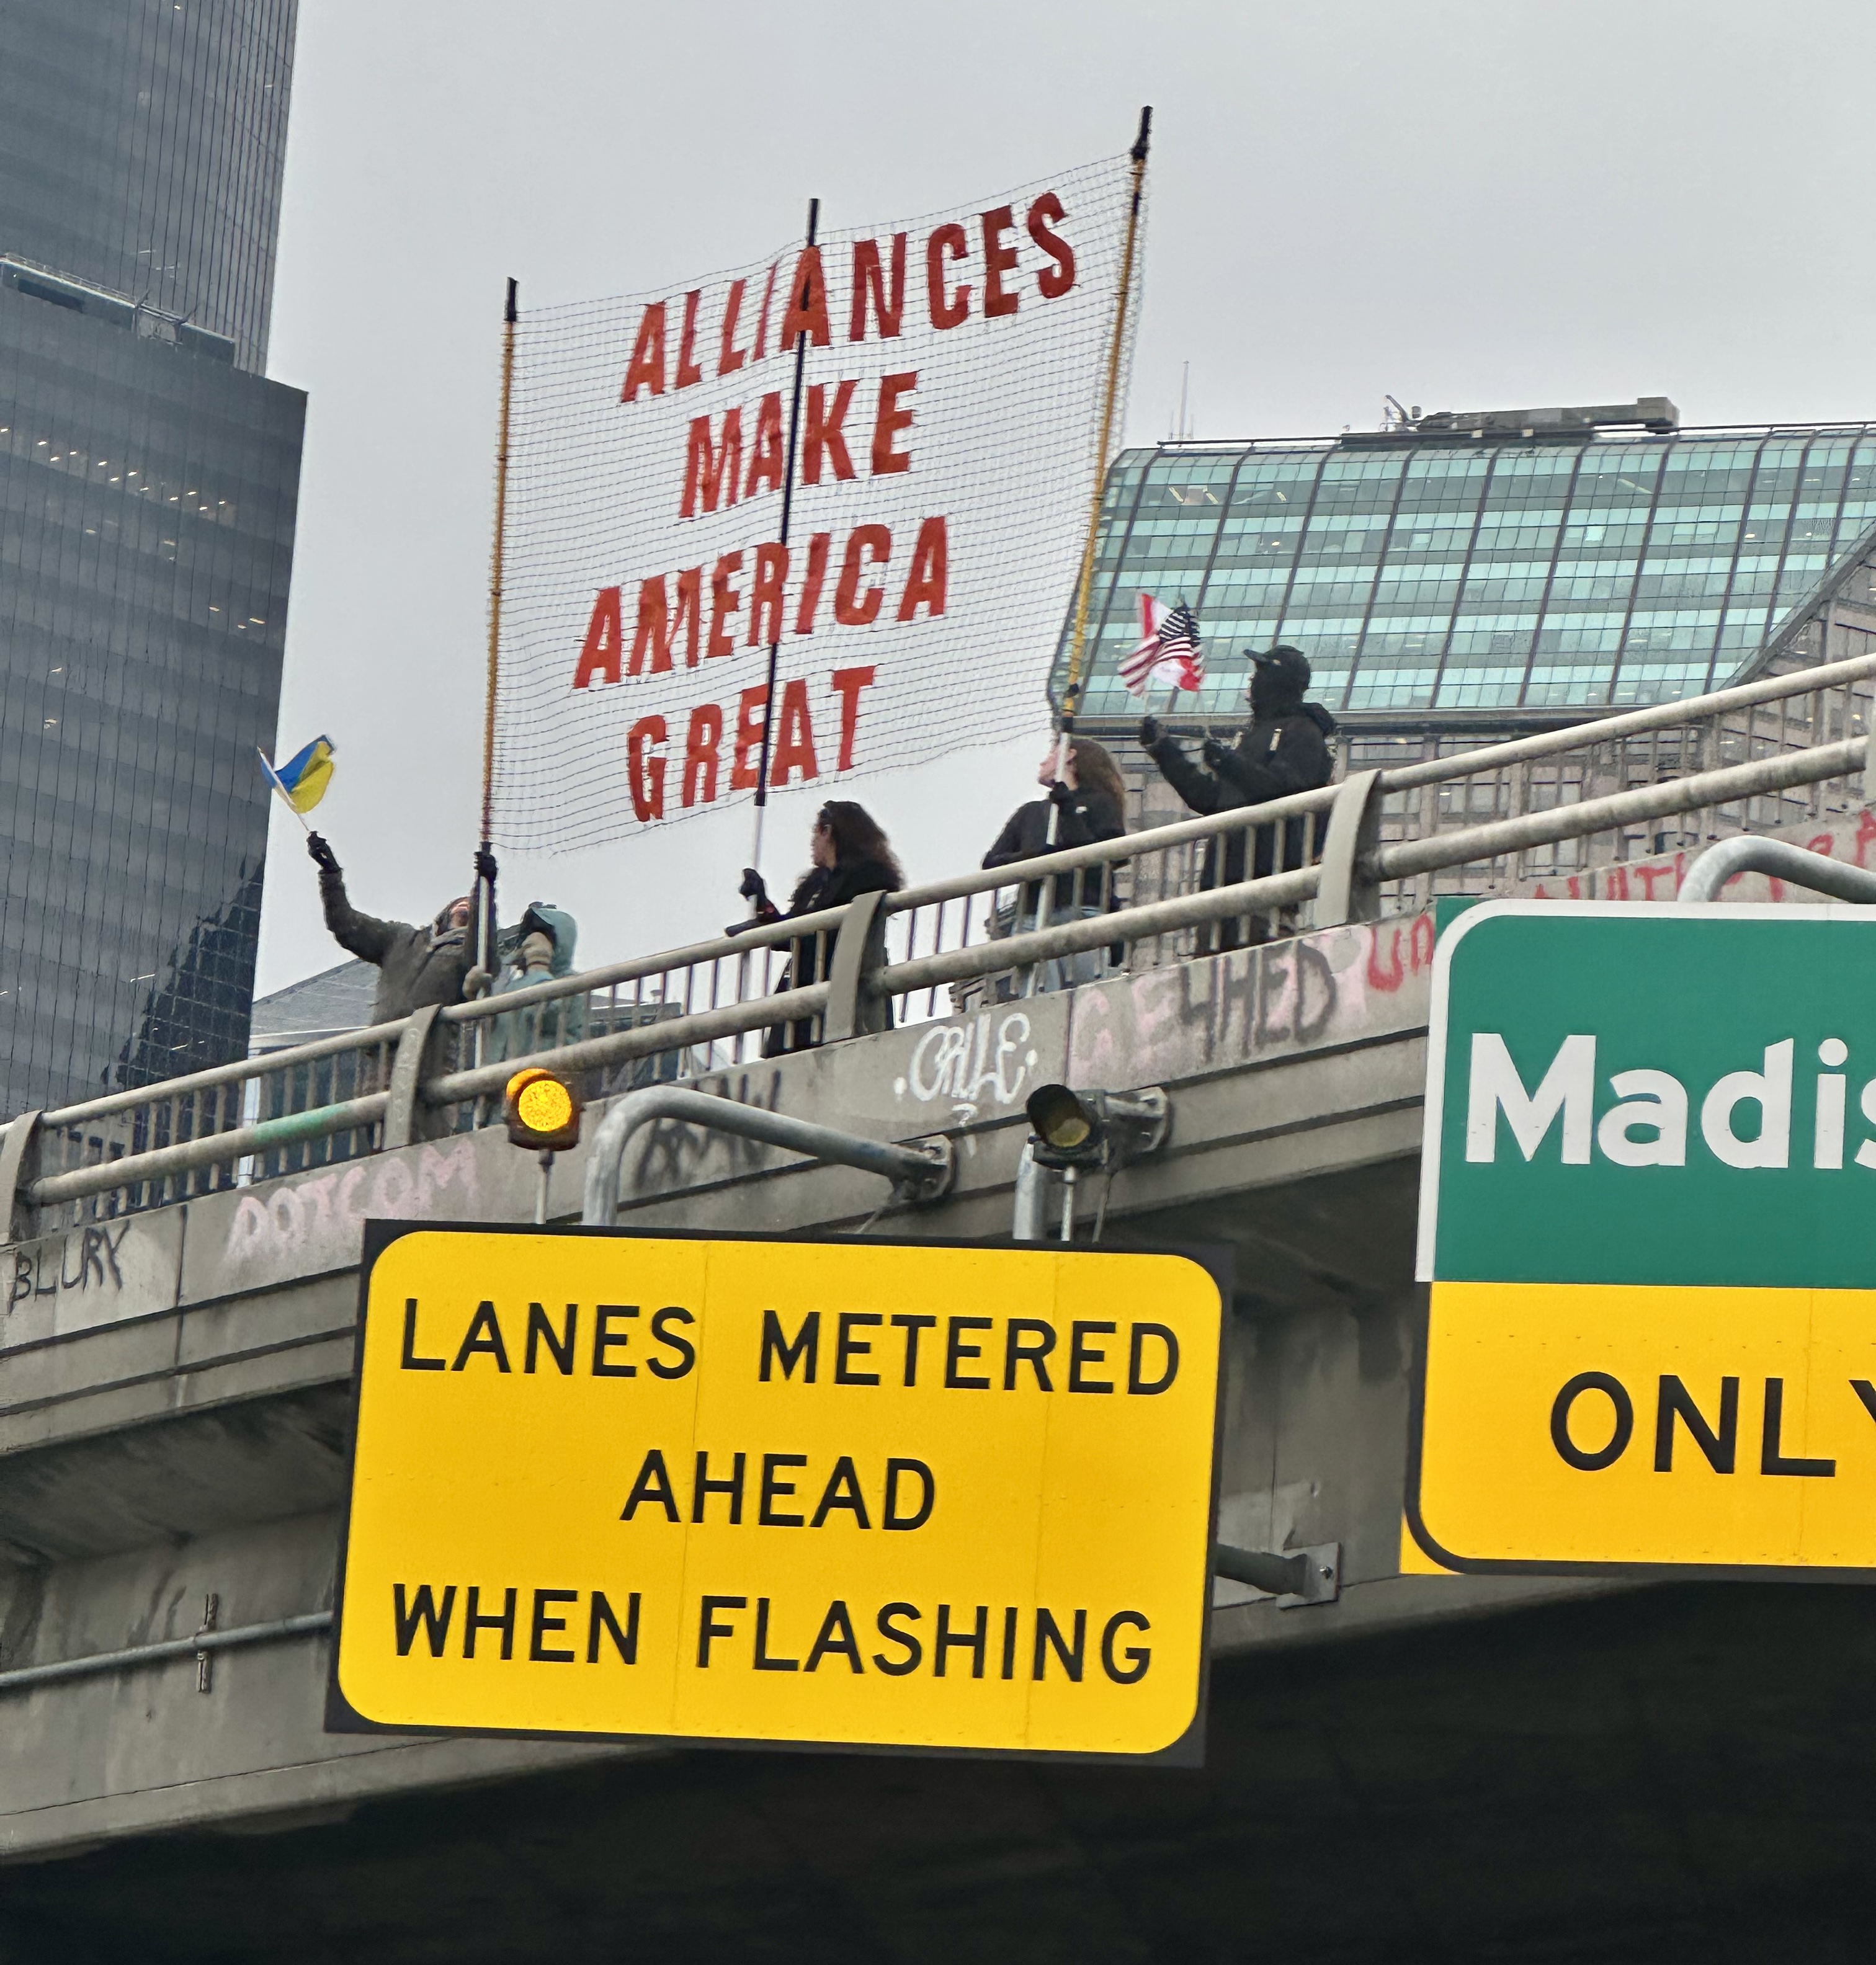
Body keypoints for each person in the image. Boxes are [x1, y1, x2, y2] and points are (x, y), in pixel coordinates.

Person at [1139, 644, 1336, 948]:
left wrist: (1229, 763)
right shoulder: (1252, 736)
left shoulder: (1304, 734)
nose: (1251, 682)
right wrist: (1164, 750)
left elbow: (1284, 790)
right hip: (1219, 890)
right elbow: (1212, 800)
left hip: (1265, 892)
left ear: (1276, 681)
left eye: (1259, 674)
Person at [735, 801, 903, 1055]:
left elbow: (820, 933)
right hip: (801, 994)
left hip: (840, 992)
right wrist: (762, 902)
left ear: (829, 831)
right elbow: (789, 934)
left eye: (816, 832)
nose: (812, 841)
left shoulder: (868, 876)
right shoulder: (816, 883)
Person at [982, 735, 1128, 993]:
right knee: (1038, 1001)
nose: (1043, 761)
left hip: (1083, 912)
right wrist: (1035, 859)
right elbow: (992, 863)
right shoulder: (1031, 813)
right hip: (1032, 917)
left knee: (1089, 1000)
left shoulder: (1100, 803)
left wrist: (1070, 811)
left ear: (1070, 756)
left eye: (1051, 754)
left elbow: (1109, 856)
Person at [307, 831, 497, 1025]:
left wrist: (485, 892)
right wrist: (331, 874)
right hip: (382, 1045)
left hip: (434, 1048)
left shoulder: (471, 951)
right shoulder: (401, 939)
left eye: (472, 904)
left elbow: (482, 949)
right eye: (459, 902)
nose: (465, 904)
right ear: (445, 913)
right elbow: (346, 925)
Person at [489, 903, 586, 1064]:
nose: (532, 940)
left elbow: (546, 1014)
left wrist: (539, 966)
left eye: (544, 935)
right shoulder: (513, 986)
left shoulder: (573, 985)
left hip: (547, 1074)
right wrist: (478, 993)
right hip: (503, 1076)